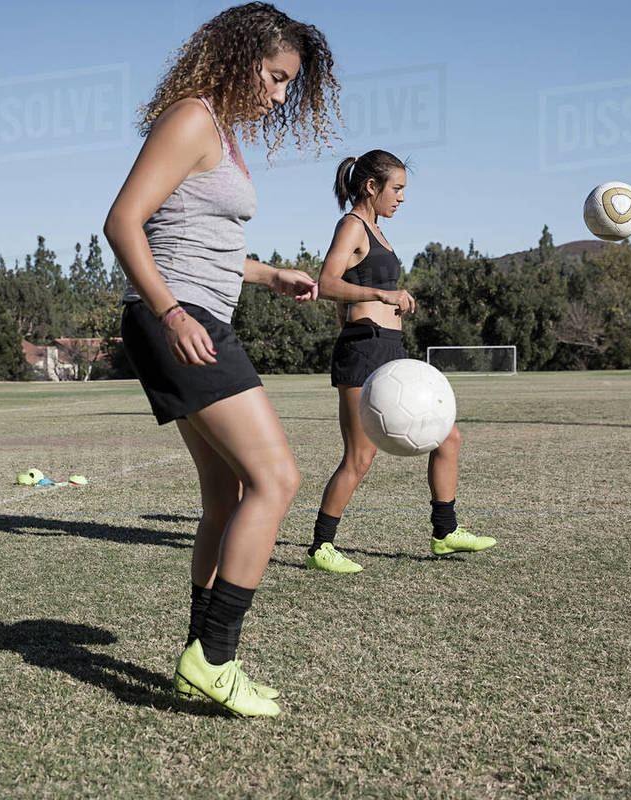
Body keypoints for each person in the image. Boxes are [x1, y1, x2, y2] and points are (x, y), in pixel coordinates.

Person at [102, 2, 339, 717]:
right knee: (278, 478)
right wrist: (172, 313)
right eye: (272, 78)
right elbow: (123, 221)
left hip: (194, 312)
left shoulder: (222, 134)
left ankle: (195, 658)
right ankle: (216, 658)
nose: (277, 95)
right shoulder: (193, 119)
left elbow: (203, 241)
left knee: (227, 497)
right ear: (239, 60)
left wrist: (271, 275)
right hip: (180, 320)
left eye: (286, 85)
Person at [307, 150, 496, 574]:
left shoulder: (378, 230)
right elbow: (327, 282)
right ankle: (321, 546)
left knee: (448, 438)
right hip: (364, 349)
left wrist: (381, 298)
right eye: (397, 188)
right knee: (360, 457)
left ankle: (444, 533)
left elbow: (352, 285)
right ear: (371, 187)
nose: (402, 198)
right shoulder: (352, 225)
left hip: (390, 351)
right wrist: (381, 296)